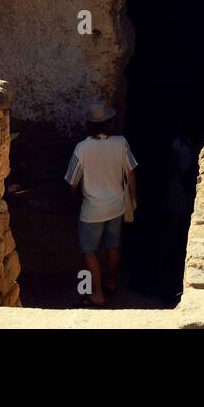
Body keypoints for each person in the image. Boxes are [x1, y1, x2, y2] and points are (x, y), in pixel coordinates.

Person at [64, 99, 137, 306]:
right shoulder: (121, 143)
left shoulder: (82, 148)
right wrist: (133, 199)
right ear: (109, 122)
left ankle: (95, 293)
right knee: (113, 246)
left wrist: (73, 197)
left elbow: (72, 182)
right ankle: (112, 283)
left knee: (89, 251)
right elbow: (131, 174)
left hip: (92, 209)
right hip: (116, 206)